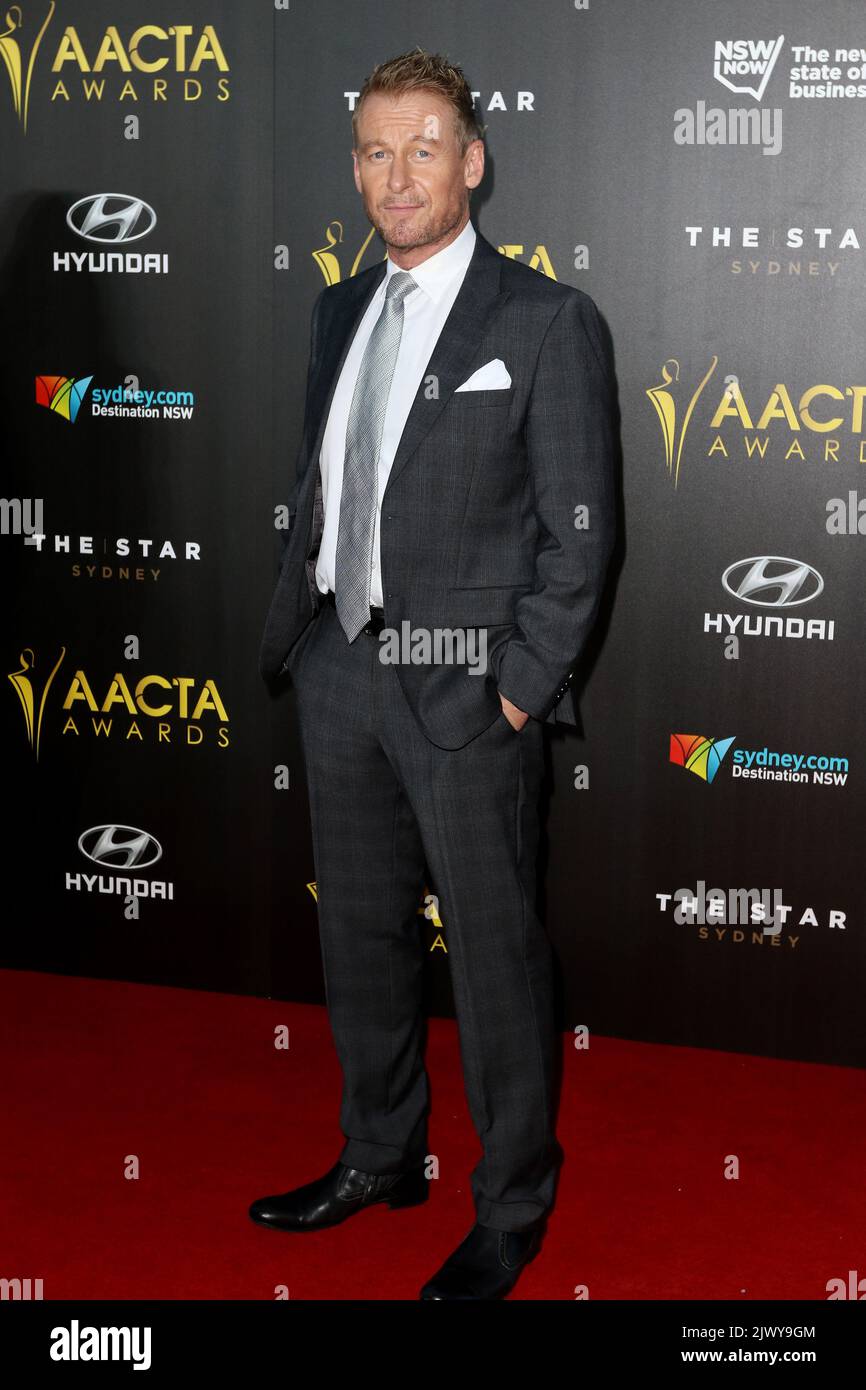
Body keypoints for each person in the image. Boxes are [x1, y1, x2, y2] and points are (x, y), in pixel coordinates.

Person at [251, 46, 616, 1300]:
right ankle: (378, 1155)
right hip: (338, 665)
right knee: (358, 936)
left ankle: (510, 1203)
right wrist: (307, 631)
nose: (395, 174)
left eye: (422, 148)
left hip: (466, 688)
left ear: (471, 163)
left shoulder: (545, 321)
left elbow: (579, 539)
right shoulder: (336, 309)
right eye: (374, 150)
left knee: (494, 955)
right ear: (354, 167)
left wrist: (515, 686)